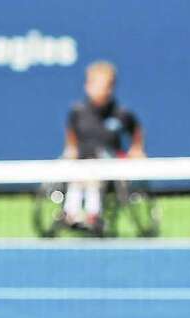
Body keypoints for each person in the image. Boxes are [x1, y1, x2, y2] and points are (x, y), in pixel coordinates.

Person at [61, 60, 146, 233]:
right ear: (87, 86)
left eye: (105, 86)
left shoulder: (122, 114)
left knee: (92, 176)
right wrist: (71, 149)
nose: (100, 90)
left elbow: (136, 131)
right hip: (80, 164)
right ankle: (71, 215)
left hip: (108, 166)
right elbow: (71, 133)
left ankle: (93, 216)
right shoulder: (77, 112)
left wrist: (137, 149)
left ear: (111, 87)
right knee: (77, 176)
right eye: (96, 85)